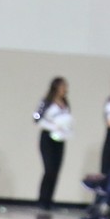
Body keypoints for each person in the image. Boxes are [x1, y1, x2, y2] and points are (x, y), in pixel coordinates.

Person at [33, 77, 72, 210]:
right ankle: (42, 199)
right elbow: (36, 118)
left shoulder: (65, 103)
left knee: (56, 170)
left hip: (60, 138)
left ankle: (49, 200)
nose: (65, 89)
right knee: (49, 169)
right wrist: (52, 126)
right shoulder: (46, 102)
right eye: (63, 86)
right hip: (48, 138)